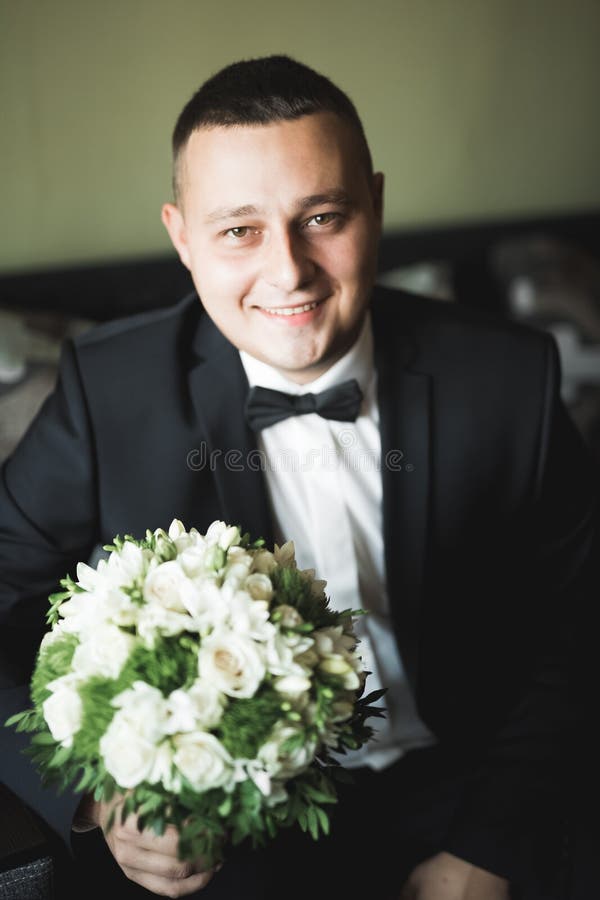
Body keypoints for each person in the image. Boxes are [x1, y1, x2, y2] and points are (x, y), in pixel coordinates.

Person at [0, 54, 598, 900]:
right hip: (224, 805)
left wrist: (493, 846)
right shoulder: (110, 390)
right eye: (239, 229)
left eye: (322, 216)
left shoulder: (509, 377)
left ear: (377, 206)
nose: (289, 271)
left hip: (471, 775)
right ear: (180, 236)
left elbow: (575, 626)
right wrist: (97, 791)